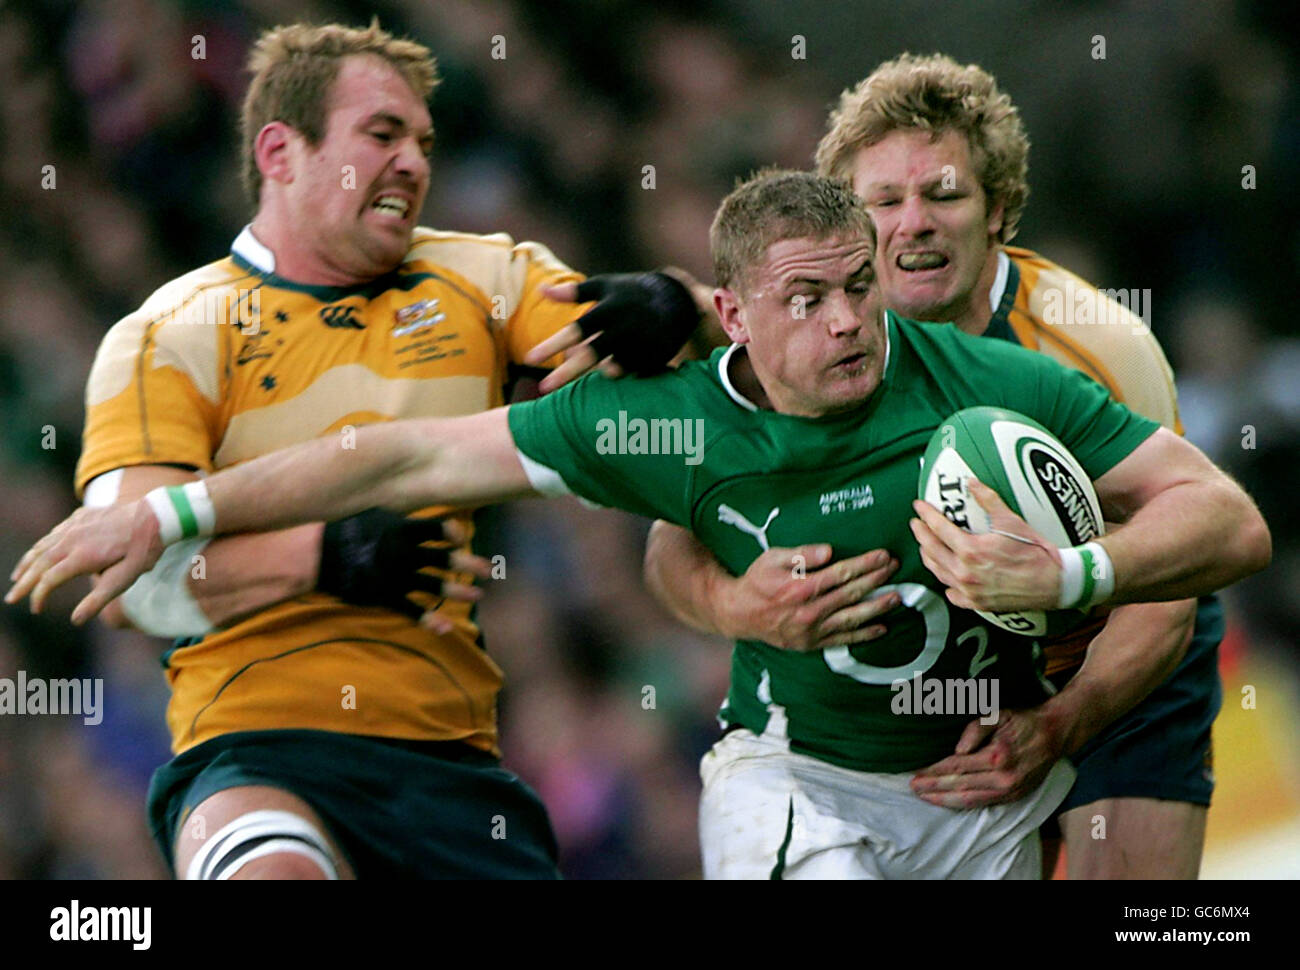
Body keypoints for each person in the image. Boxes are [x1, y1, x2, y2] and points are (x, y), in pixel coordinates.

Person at [10, 170, 1271, 880]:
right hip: (808, 791)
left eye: (856, 290)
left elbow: (1227, 518)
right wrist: (177, 506)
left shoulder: (990, 381)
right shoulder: (654, 422)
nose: (845, 323)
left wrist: (1063, 570)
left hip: (996, 784)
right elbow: (393, 452)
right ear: (729, 309)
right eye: (804, 299)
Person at [29, 21, 699, 880]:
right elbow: (130, 580)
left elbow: (663, 347)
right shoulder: (167, 333)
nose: (416, 161)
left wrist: (670, 304)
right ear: (281, 152)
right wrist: (322, 558)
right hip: (257, 753)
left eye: (423, 141)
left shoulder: (480, 279)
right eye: (382, 135)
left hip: (448, 761)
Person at [643, 53, 1226, 879]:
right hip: (934, 688)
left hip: (1113, 658)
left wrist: (1065, 718)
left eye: (943, 193)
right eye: (884, 201)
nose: (912, 222)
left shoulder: (1097, 345)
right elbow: (673, 545)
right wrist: (742, 605)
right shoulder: (808, 341)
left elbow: (1175, 578)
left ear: (998, 213)